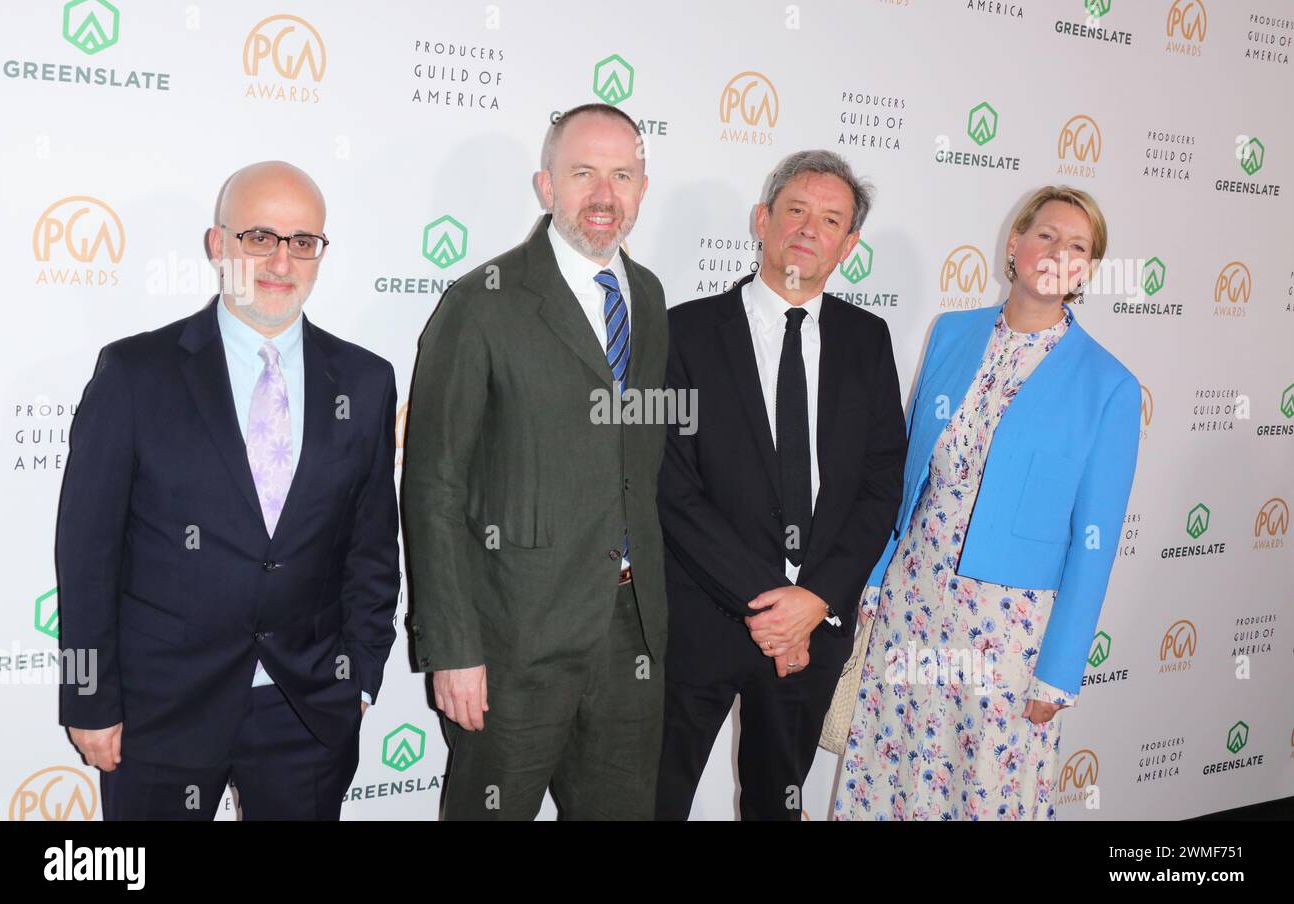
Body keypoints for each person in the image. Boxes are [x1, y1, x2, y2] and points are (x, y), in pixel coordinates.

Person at [57, 161, 400, 820]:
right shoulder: (135, 374)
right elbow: (86, 555)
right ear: (218, 246)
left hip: (306, 710)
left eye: (303, 241)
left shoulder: (365, 380)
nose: (281, 259)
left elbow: (372, 549)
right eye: (259, 236)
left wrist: (360, 676)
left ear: (320, 254)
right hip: (158, 711)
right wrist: (86, 698)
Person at [833, 185, 1140, 821]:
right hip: (911, 599)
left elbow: (1096, 543)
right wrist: (872, 582)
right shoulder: (952, 333)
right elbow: (904, 473)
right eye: (1047, 234)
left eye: (1077, 246)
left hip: (1008, 629)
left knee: (984, 791)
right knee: (890, 775)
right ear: (1015, 244)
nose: (1057, 252)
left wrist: (1058, 670)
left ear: (1088, 269)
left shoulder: (1108, 385)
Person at [402, 103, 670, 820]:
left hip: (629, 637)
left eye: (622, 174)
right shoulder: (481, 303)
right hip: (512, 639)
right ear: (546, 186)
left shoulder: (648, 297)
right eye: (583, 173)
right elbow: (432, 486)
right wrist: (453, 647)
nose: (604, 195)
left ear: (642, 187)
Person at [654, 150, 906, 820]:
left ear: (848, 246)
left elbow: (882, 486)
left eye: (831, 219)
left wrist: (814, 600)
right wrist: (770, 606)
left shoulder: (867, 339)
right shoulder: (683, 331)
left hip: (815, 626)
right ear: (762, 220)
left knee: (778, 807)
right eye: (795, 210)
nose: (808, 228)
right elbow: (671, 488)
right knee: (652, 800)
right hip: (698, 622)